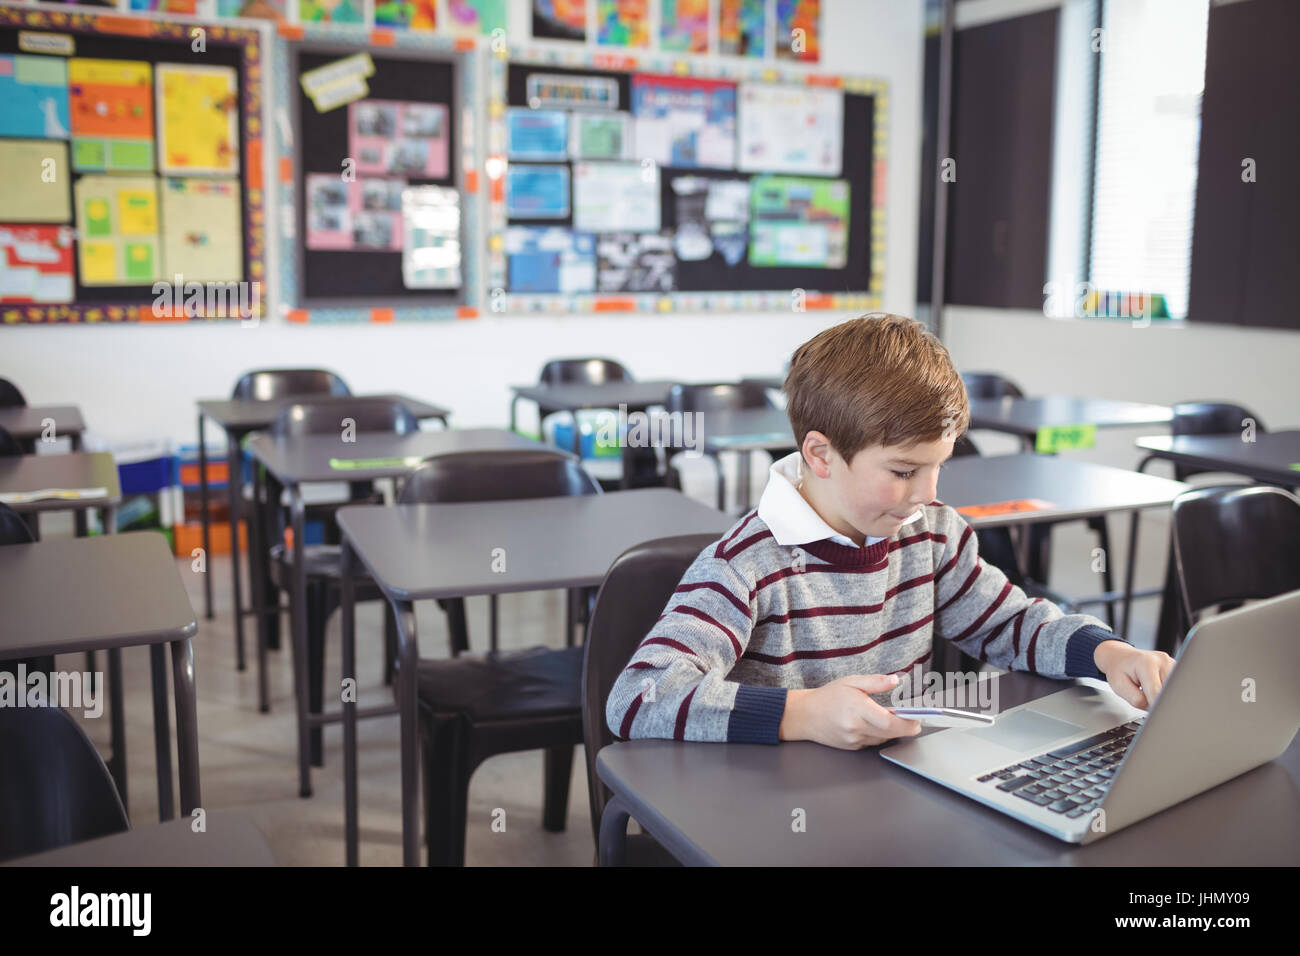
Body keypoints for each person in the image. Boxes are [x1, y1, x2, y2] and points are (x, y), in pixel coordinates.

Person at [606, 313, 1176, 749]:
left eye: (938, 468)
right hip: (778, 810)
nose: (929, 494)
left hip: (895, 784)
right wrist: (802, 714)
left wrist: (1107, 653)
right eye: (904, 471)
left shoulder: (931, 535)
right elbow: (639, 696)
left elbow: (1010, 624)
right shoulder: (746, 565)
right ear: (822, 455)